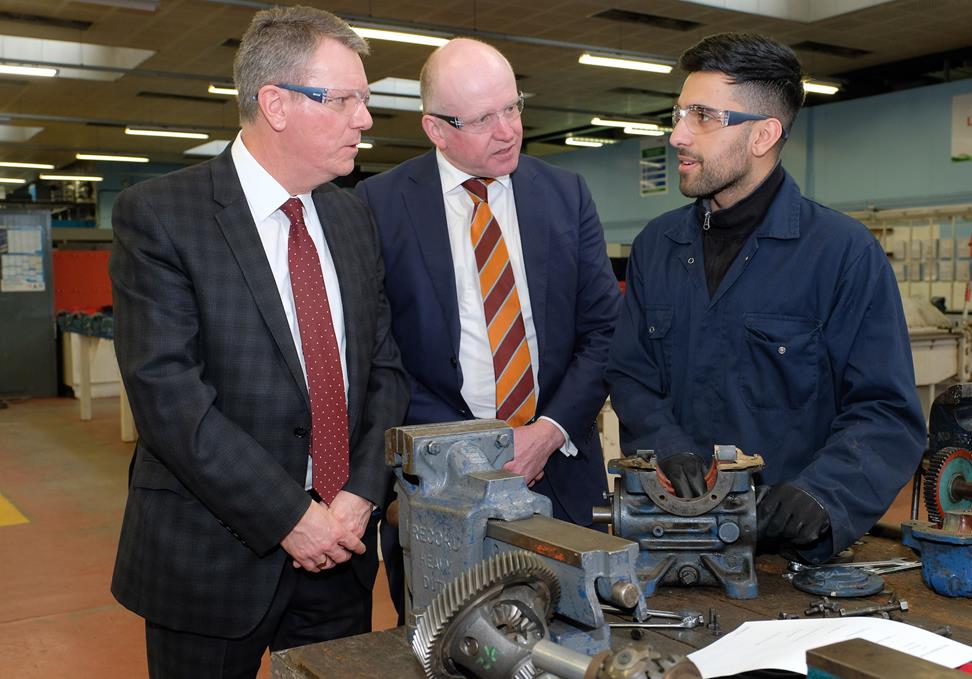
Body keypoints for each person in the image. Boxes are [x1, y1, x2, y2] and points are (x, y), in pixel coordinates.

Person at [108, 6, 408, 677]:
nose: (365, 118)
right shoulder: (161, 216)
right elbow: (171, 402)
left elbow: (385, 371)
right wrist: (291, 516)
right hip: (212, 559)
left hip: (342, 551)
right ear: (275, 103)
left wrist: (360, 493)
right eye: (346, 100)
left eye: (366, 99)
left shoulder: (351, 216)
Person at [606, 32, 925, 564]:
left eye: (703, 116)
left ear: (762, 136)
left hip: (790, 556)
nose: (678, 136)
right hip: (669, 538)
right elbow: (631, 374)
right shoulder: (657, 247)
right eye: (680, 113)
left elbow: (886, 412)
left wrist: (823, 495)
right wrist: (667, 445)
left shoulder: (842, 254)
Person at [357, 38, 621, 618]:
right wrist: (464, 451)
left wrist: (548, 430)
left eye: (513, 107)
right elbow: (378, 355)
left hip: (562, 471)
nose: (507, 131)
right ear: (436, 128)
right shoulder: (379, 204)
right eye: (482, 119)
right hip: (439, 485)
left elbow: (605, 330)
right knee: (442, 638)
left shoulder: (565, 194)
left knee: (578, 636)